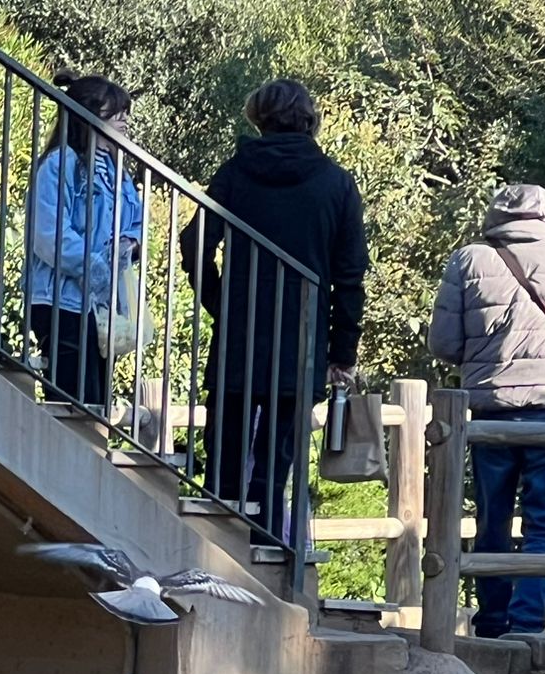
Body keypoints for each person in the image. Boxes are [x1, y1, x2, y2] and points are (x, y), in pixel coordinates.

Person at [429, 183, 545, 638]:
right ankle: (529, 625)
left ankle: (491, 624)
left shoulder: (468, 260)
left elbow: (442, 344)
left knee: (490, 517)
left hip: (490, 409)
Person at [180, 79, 368, 534]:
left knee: (224, 452)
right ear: (310, 120)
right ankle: (265, 541)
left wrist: (220, 302)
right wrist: (342, 352)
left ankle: (218, 538)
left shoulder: (235, 174)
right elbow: (350, 277)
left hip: (239, 332)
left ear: (258, 118)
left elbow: (194, 242)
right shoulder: (337, 184)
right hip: (300, 337)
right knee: (278, 455)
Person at [25, 72, 142, 411]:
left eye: (124, 113)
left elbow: (135, 222)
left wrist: (129, 244)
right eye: (115, 112)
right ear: (87, 115)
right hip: (59, 300)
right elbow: (49, 234)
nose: (124, 121)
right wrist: (95, 265)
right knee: (74, 398)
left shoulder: (119, 172)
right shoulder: (61, 164)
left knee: (95, 399)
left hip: (98, 304)